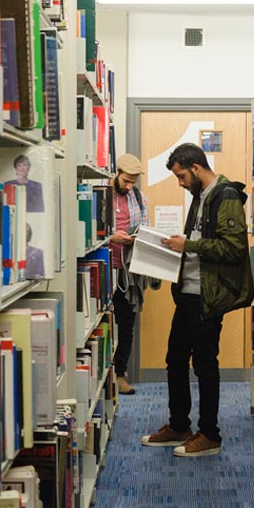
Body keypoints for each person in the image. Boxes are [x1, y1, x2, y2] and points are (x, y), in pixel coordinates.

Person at [140, 143, 254, 457]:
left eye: (180, 176)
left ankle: (209, 435)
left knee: (205, 365)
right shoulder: (199, 196)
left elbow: (234, 249)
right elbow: (200, 243)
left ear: (196, 167)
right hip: (188, 293)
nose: (179, 182)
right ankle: (179, 425)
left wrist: (188, 245)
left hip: (208, 297)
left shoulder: (225, 196)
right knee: (175, 360)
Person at [109, 153, 155, 396]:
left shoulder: (138, 198)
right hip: (105, 268)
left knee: (126, 323)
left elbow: (145, 226)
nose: (129, 186)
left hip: (129, 271)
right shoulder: (101, 195)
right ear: (116, 173)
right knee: (107, 322)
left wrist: (139, 237)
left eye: (133, 182)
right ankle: (103, 372)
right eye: (126, 181)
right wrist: (110, 237)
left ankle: (119, 375)